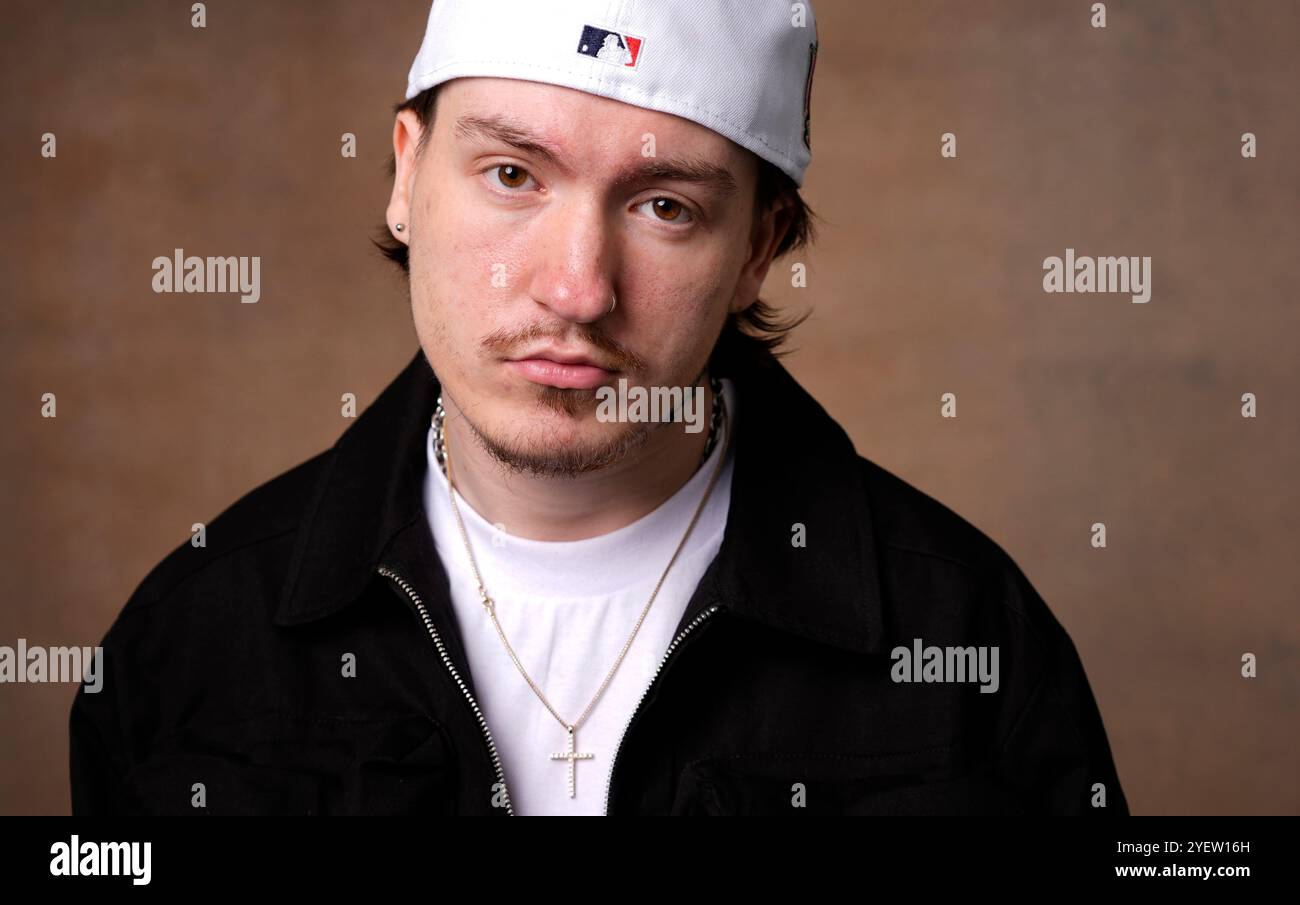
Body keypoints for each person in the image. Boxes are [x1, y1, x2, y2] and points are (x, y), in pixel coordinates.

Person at [69, 0, 1128, 815]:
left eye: (665, 206)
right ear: (405, 173)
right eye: (512, 173)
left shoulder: (967, 639)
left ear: (758, 247)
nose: (578, 289)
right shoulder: (193, 637)